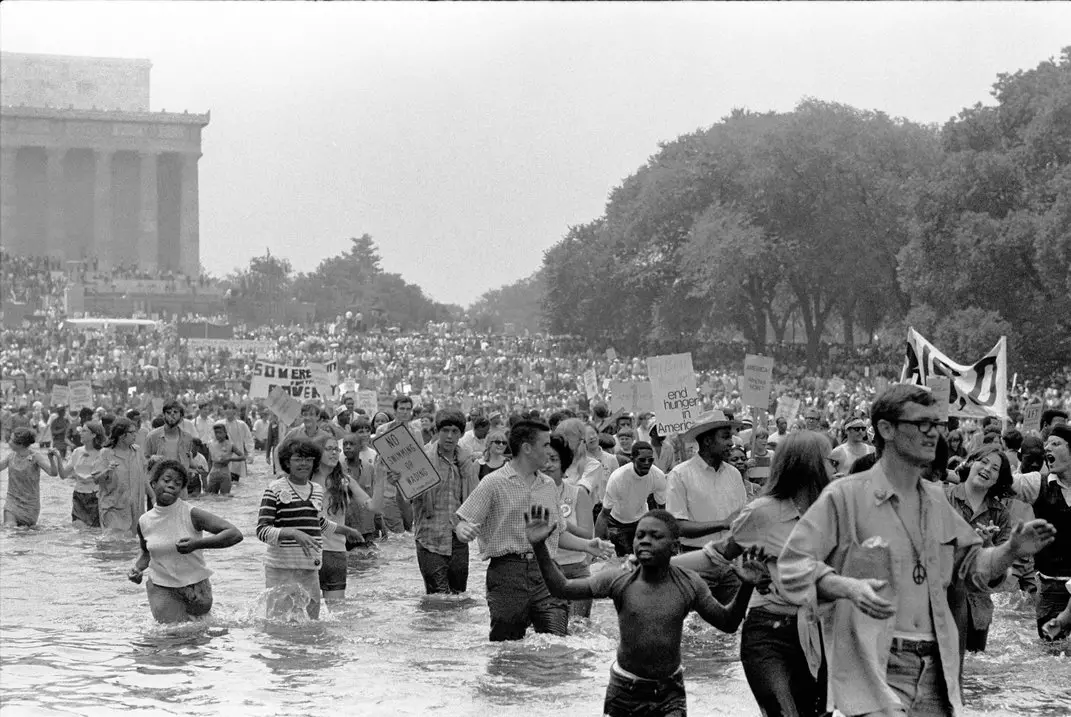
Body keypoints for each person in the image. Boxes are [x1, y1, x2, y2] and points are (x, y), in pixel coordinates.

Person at [778, 384, 1057, 717]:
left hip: (936, 665)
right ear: (886, 429)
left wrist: (1010, 550)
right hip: (876, 664)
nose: (933, 434)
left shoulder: (936, 499)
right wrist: (847, 587)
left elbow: (974, 568)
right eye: (921, 424)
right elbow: (792, 566)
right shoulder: (846, 496)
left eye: (936, 425)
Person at [525, 506, 767, 717]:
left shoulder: (690, 583)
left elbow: (727, 623)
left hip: (670, 691)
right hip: (624, 690)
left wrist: (746, 586)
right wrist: (539, 547)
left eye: (655, 536)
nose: (644, 540)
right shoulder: (619, 580)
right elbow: (562, 588)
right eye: (640, 535)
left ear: (674, 546)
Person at [454, 419, 611, 641]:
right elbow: (463, 519)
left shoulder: (547, 485)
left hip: (547, 570)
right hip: (508, 574)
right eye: (545, 444)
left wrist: (587, 545)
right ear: (527, 448)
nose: (550, 450)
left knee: (556, 642)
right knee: (508, 648)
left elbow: (558, 532)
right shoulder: (493, 483)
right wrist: (463, 530)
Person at [714, 431, 832, 717]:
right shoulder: (762, 513)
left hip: (818, 632)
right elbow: (719, 553)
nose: (835, 466)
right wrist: (659, 564)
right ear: (810, 465)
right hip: (767, 633)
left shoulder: (835, 511)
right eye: (829, 460)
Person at [127, 460, 243, 623]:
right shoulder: (144, 521)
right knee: (171, 636)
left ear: (181, 490)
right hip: (162, 586)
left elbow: (234, 534)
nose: (171, 485)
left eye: (177, 483)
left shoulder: (191, 514)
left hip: (197, 588)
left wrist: (197, 544)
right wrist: (137, 569)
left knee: (196, 638)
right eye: (166, 480)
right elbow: (146, 553)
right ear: (153, 483)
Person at [256, 437, 355, 620]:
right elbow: (262, 530)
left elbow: (319, 522)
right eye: (298, 459)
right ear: (287, 462)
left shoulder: (317, 489)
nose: (304, 464)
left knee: (312, 623)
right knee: (280, 624)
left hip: (309, 568)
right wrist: (293, 533)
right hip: (281, 568)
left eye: (308, 459)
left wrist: (346, 531)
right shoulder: (275, 489)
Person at [943, 444, 1015, 654]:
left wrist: (988, 546)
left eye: (994, 468)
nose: (987, 469)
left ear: (997, 479)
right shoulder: (942, 498)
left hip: (977, 609)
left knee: (974, 676)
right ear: (970, 464)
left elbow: (1000, 574)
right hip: (939, 599)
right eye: (983, 462)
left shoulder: (1000, 514)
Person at [405, 408, 479, 595]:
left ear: (461, 434)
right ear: (437, 432)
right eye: (445, 431)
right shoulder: (421, 460)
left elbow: (475, 502)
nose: (449, 436)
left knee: (458, 597)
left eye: (455, 432)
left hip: (458, 539)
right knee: (437, 598)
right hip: (429, 539)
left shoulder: (466, 463)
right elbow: (407, 499)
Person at [1010, 424, 1071, 640]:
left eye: (1055, 444)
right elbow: (1005, 483)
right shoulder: (1038, 482)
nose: (1048, 449)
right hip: (1051, 587)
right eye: (1047, 445)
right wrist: (953, 474)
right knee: (1050, 654)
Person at [311, 436, 371, 602]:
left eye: (336, 449)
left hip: (335, 553)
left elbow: (373, 506)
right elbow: (313, 520)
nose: (334, 452)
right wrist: (347, 530)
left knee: (336, 615)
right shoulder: (305, 480)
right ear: (317, 453)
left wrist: (382, 477)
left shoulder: (345, 481)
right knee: (306, 615)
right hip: (308, 552)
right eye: (329, 449)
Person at [545, 434, 595, 618]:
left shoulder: (577, 493)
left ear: (563, 463)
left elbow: (587, 535)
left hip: (576, 570)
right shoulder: (528, 493)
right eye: (544, 459)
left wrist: (562, 524)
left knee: (580, 630)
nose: (548, 464)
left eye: (554, 459)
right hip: (544, 571)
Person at [596, 441, 668, 557]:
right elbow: (604, 514)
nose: (646, 463)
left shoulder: (658, 476)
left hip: (642, 519)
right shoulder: (617, 478)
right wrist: (597, 546)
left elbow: (662, 510)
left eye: (650, 460)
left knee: (645, 556)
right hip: (617, 522)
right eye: (642, 460)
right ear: (632, 459)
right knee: (625, 559)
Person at [98, 418, 153, 535]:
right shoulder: (106, 453)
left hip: (135, 508)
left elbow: (143, 478)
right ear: (122, 435)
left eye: (135, 432)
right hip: (113, 508)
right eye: (132, 432)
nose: (135, 435)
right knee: (113, 544)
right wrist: (107, 470)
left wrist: (153, 497)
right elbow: (96, 479)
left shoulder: (137, 451)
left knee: (132, 546)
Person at [1, 427, 60, 527]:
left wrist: (51, 459)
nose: (8, 441)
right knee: (9, 528)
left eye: (11, 439)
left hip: (30, 505)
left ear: (20, 443)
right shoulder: (10, 456)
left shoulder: (35, 457)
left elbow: (53, 473)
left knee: (26, 533)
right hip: (12, 502)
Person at [56, 421, 107, 528]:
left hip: (96, 496)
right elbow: (63, 475)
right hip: (78, 495)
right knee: (78, 528)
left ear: (93, 435)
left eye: (84, 431)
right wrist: (57, 458)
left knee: (94, 531)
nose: (80, 433)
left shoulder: (103, 453)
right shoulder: (77, 452)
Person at [144, 401, 198, 472]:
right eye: (168, 412)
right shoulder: (152, 436)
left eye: (175, 412)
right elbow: (144, 462)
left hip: (180, 480)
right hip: (159, 480)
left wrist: (197, 467)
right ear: (163, 415)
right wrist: (151, 459)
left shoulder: (187, 438)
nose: (172, 415)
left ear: (181, 417)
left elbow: (188, 461)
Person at [205, 421, 245, 496]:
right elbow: (209, 461)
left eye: (220, 432)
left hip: (225, 474)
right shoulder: (211, 444)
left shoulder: (230, 445)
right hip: (213, 474)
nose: (218, 435)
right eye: (216, 432)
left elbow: (243, 457)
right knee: (211, 497)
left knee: (225, 498)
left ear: (225, 433)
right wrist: (206, 476)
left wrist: (230, 459)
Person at [220, 401, 252, 485]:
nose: (228, 411)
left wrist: (250, 454)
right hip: (222, 459)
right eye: (226, 409)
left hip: (236, 460)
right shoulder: (219, 424)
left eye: (230, 408)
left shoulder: (242, 424)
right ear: (223, 411)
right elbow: (212, 441)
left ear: (234, 411)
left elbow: (249, 440)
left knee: (234, 484)